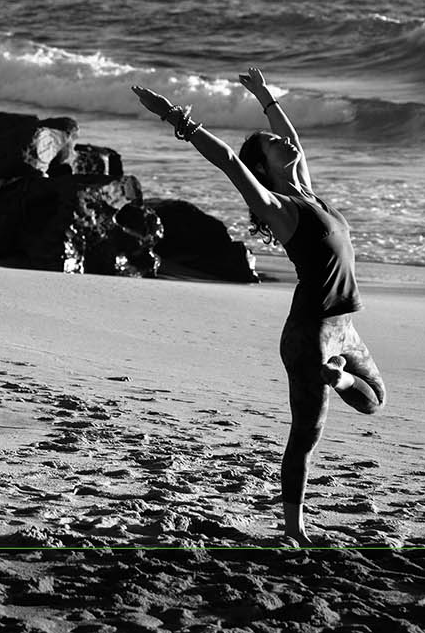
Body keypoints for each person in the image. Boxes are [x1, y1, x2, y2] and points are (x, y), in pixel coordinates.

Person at [131, 69, 385, 545]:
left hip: (343, 328)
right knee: (305, 438)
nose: (284, 143)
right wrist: (173, 116)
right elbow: (228, 160)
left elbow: (293, 138)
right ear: (265, 169)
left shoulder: (308, 189)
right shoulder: (281, 207)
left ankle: (341, 377)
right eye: (271, 144)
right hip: (310, 333)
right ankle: (294, 530)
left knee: (375, 400)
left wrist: (264, 95)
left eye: (278, 139)